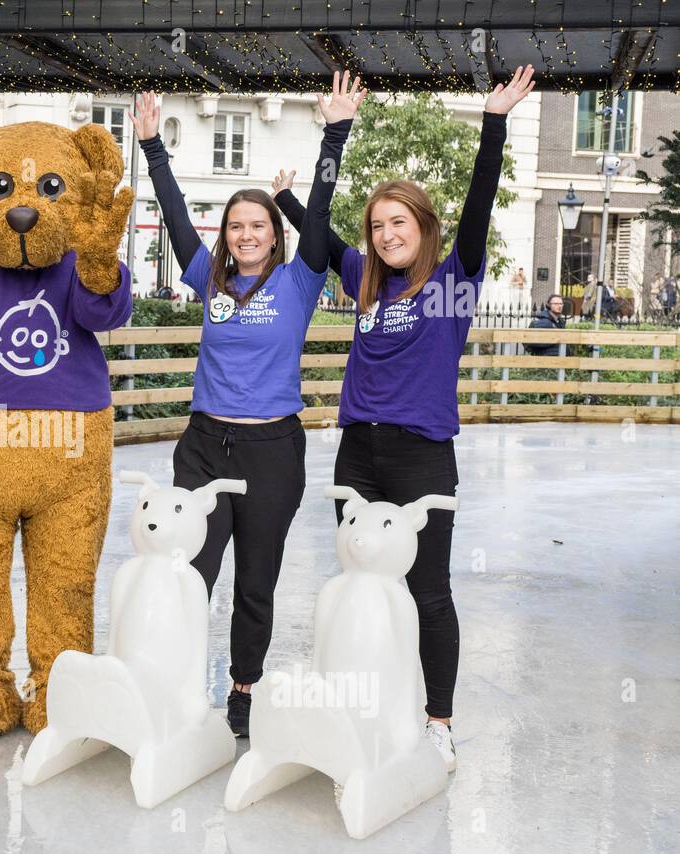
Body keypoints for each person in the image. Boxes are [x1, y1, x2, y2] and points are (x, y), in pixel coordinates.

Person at [274, 65, 538, 771]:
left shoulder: (455, 280)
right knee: (360, 584)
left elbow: (480, 203)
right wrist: (315, 162)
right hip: (358, 457)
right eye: (379, 225)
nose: (387, 234)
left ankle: (438, 721)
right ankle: (363, 703)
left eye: (399, 223)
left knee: (428, 594)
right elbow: (317, 233)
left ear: (423, 227)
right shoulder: (363, 277)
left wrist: (494, 122)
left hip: (423, 460)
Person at [130, 72, 364, 736]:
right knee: (186, 575)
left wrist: (335, 132)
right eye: (236, 225)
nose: (246, 234)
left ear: (273, 232)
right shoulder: (209, 277)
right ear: (226, 234)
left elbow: (317, 212)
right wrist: (152, 147)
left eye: (257, 224)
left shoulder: (301, 279)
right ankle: (173, 685)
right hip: (205, 447)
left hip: (270, 452)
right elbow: (175, 218)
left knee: (254, 583)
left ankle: (242, 689)